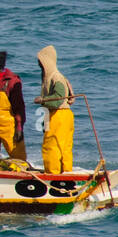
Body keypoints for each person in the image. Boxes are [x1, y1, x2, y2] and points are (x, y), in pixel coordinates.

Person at [34, 45, 75, 173]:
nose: (39, 64)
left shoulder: (55, 77)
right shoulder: (52, 77)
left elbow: (58, 99)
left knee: (51, 146)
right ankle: (66, 173)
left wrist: (42, 100)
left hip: (59, 115)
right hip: (61, 115)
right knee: (63, 146)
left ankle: (53, 174)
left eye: (40, 61)